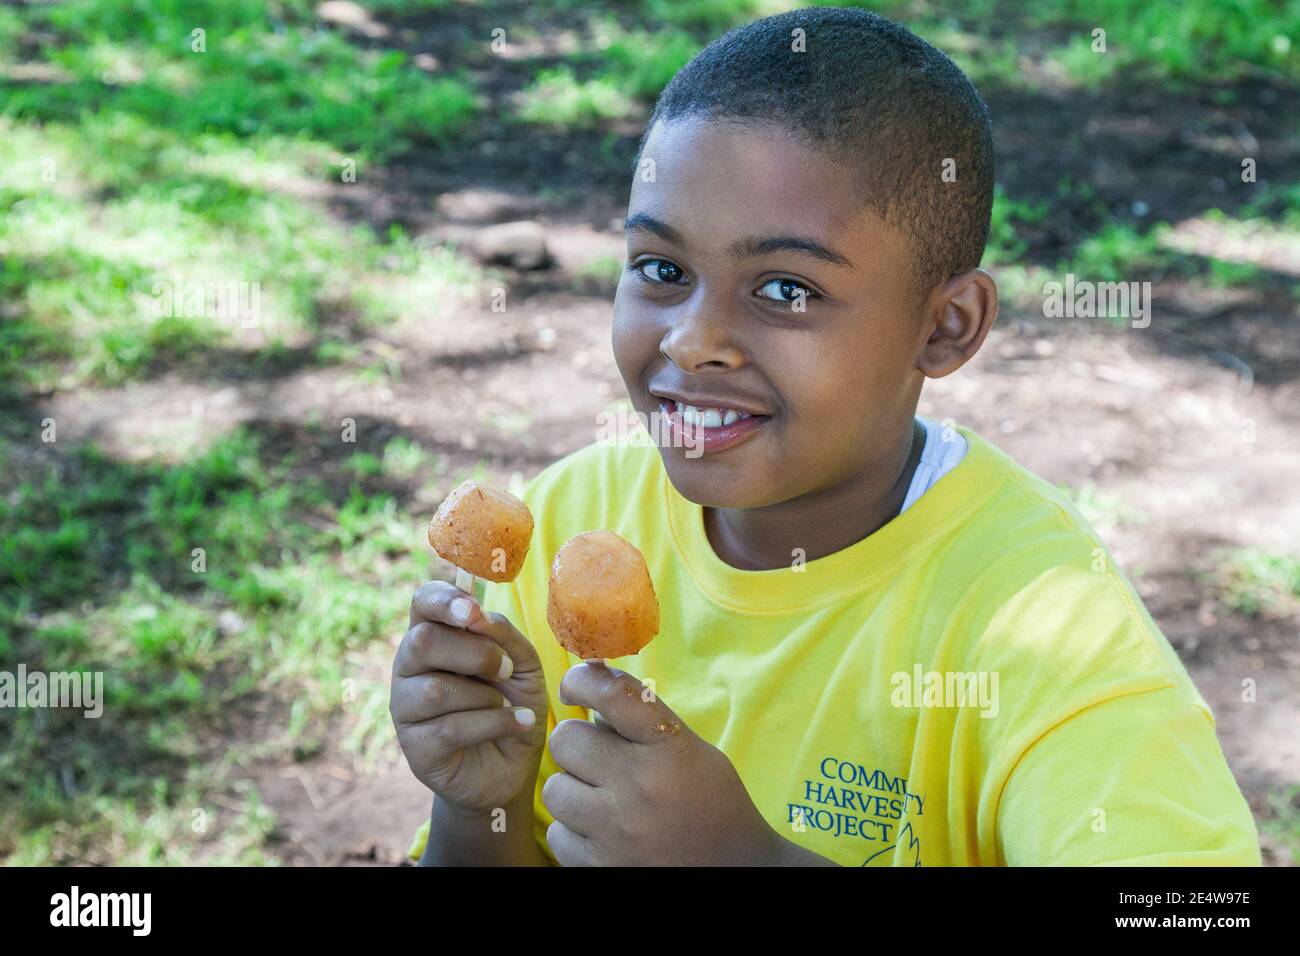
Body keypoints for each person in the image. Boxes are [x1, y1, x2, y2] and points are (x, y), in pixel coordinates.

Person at [391, 6, 1260, 866]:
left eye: (786, 290)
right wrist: (486, 805)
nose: (692, 340)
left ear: (946, 326)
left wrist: (757, 863)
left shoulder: (1038, 620)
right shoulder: (572, 529)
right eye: (662, 270)